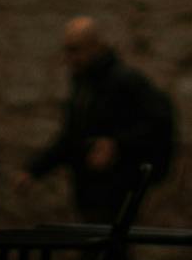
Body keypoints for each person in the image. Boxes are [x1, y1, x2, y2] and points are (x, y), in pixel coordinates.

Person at [24, 16, 179, 236]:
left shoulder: (124, 82)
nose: (69, 58)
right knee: (106, 257)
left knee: (103, 256)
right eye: (68, 50)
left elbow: (158, 124)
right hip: (94, 188)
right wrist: (35, 169)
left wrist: (118, 145)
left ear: (95, 46)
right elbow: (72, 136)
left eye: (75, 50)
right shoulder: (85, 85)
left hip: (116, 186)